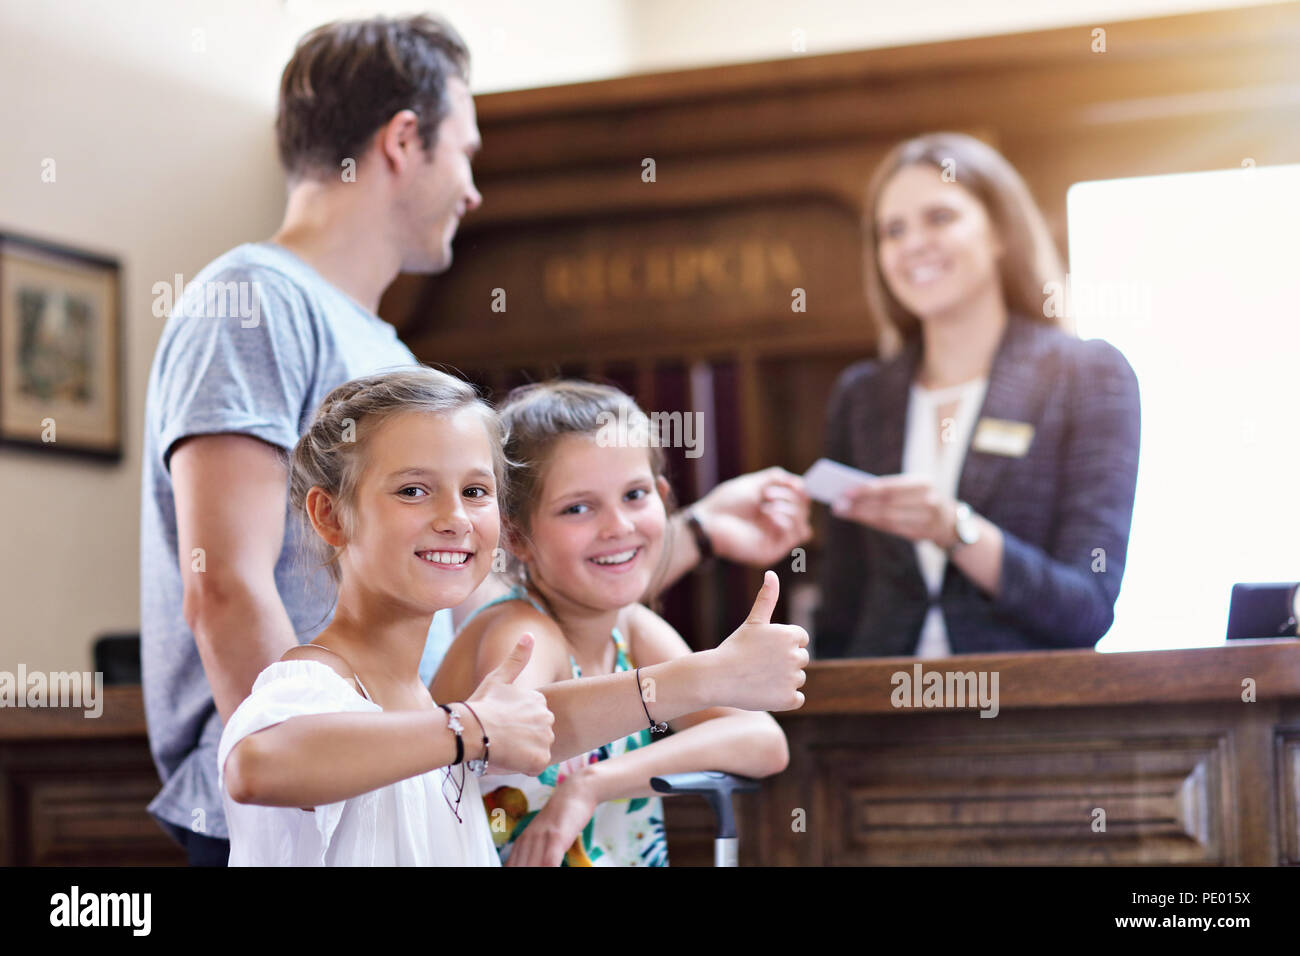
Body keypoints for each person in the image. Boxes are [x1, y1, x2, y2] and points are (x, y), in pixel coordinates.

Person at [140, 14, 810, 865]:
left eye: (476, 491)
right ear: (403, 139)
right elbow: (226, 588)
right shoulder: (257, 300)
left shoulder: (392, 357)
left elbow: (512, 587)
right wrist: (340, 785)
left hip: (412, 774)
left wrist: (702, 537)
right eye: (466, 150)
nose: (474, 188)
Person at [217, 367, 808, 866]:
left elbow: (536, 726)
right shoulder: (315, 685)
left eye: (476, 491)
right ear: (330, 517)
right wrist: (469, 729)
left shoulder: (422, 711)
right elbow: (257, 765)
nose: (454, 517)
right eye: (413, 491)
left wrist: (716, 675)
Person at [433, 381, 790, 866]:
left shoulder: (633, 628)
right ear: (515, 534)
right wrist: (706, 676)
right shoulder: (522, 629)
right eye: (577, 508)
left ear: (664, 498)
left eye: (635, 494)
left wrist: (595, 783)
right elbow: (513, 732)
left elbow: (763, 742)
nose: (618, 526)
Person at [814, 132, 1141, 658]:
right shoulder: (862, 396)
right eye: (893, 231)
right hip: (878, 713)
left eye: (940, 218)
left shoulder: (1088, 375)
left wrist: (955, 529)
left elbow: (1087, 606)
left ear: (999, 233)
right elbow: (841, 606)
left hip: (1024, 714)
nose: (914, 244)